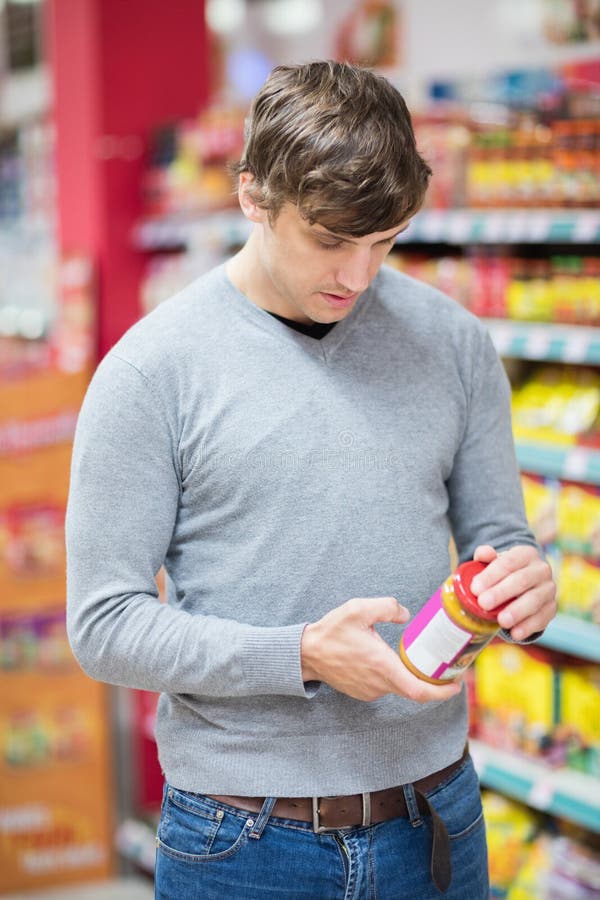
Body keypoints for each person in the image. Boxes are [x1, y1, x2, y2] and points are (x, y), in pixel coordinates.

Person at [66, 60, 556, 899]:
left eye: (385, 241)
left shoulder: (455, 343)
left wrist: (523, 588)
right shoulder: (153, 371)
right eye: (331, 239)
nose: (358, 277)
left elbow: (499, 541)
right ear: (253, 196)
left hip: (438, 818)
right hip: (242, 840)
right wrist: (299, 656)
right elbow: (104, 625)